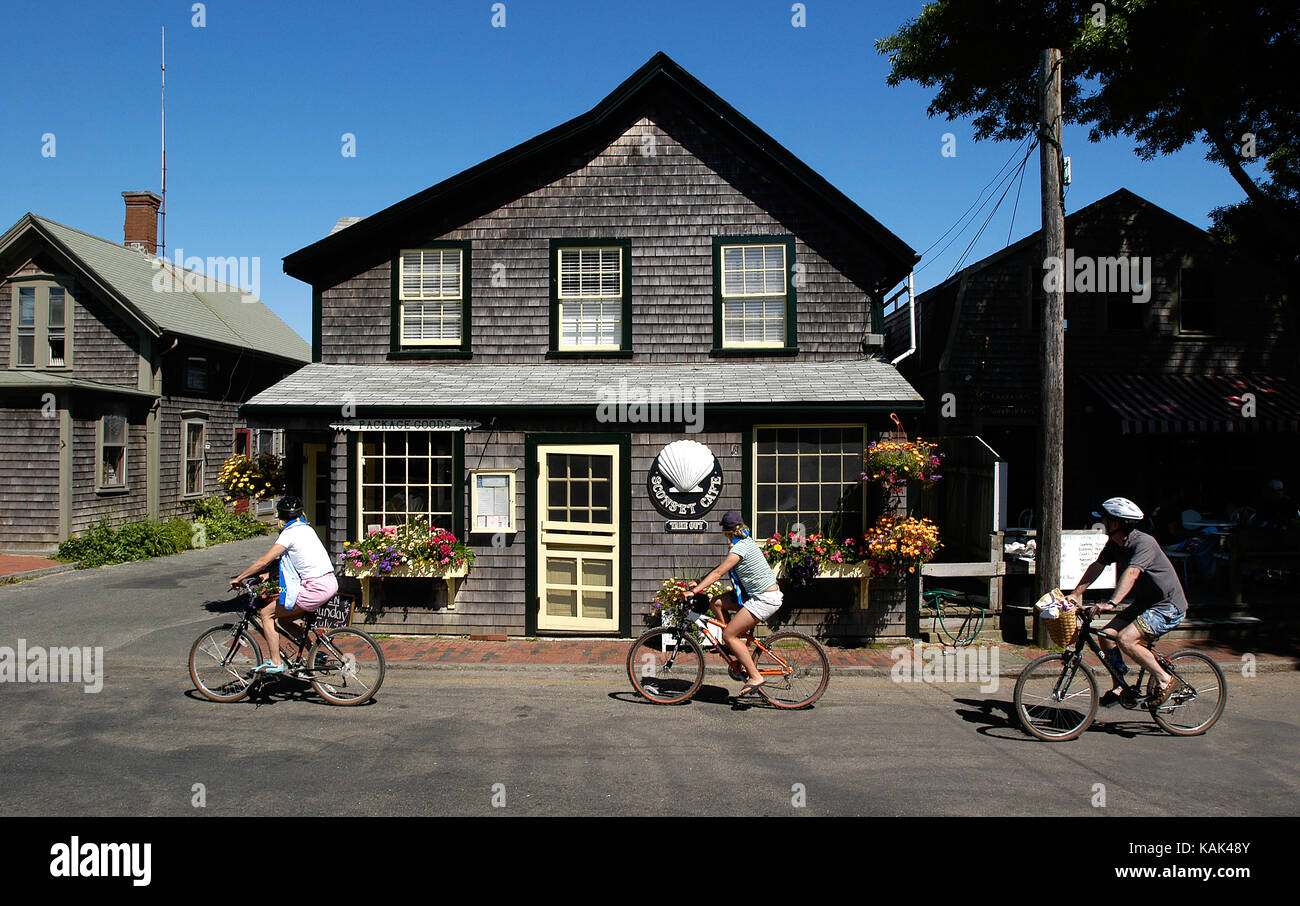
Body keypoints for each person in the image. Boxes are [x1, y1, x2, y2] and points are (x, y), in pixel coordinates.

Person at [1066, 497, 1188, 709]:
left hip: (1167, 606)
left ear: (1115, 524)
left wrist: (1111, 603)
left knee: (1126, 639)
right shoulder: (1115, 543)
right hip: (1146, 604)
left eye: (1104, 520)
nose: (1101, 523)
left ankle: (1166, 680)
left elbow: (1132, 573)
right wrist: (1076, 593)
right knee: (1106, 637)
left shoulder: (1144, 543)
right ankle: (1120, 685)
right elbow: (1098, 565)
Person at [229, 495, 338, 674]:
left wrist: (240, 578)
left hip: (314, 588)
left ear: (281, 516)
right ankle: (314, 654)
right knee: (284, 619)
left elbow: (264, 560)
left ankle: (275, 662)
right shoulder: (306, 528)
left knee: (266, 614)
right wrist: (270, 574)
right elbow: (294, 560)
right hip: (329, 582)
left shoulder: (289, 533)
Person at [689, 510, 783, 697]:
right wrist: (699, 582)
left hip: (764, 598)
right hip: (755, 596)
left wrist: (694, 591)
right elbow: (721, 567)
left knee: (729, 634)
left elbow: (718, 574)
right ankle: (733, 646)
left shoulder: (739, 548)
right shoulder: (744, 543)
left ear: (726, 531)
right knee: (716, 602)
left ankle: (755, 676)